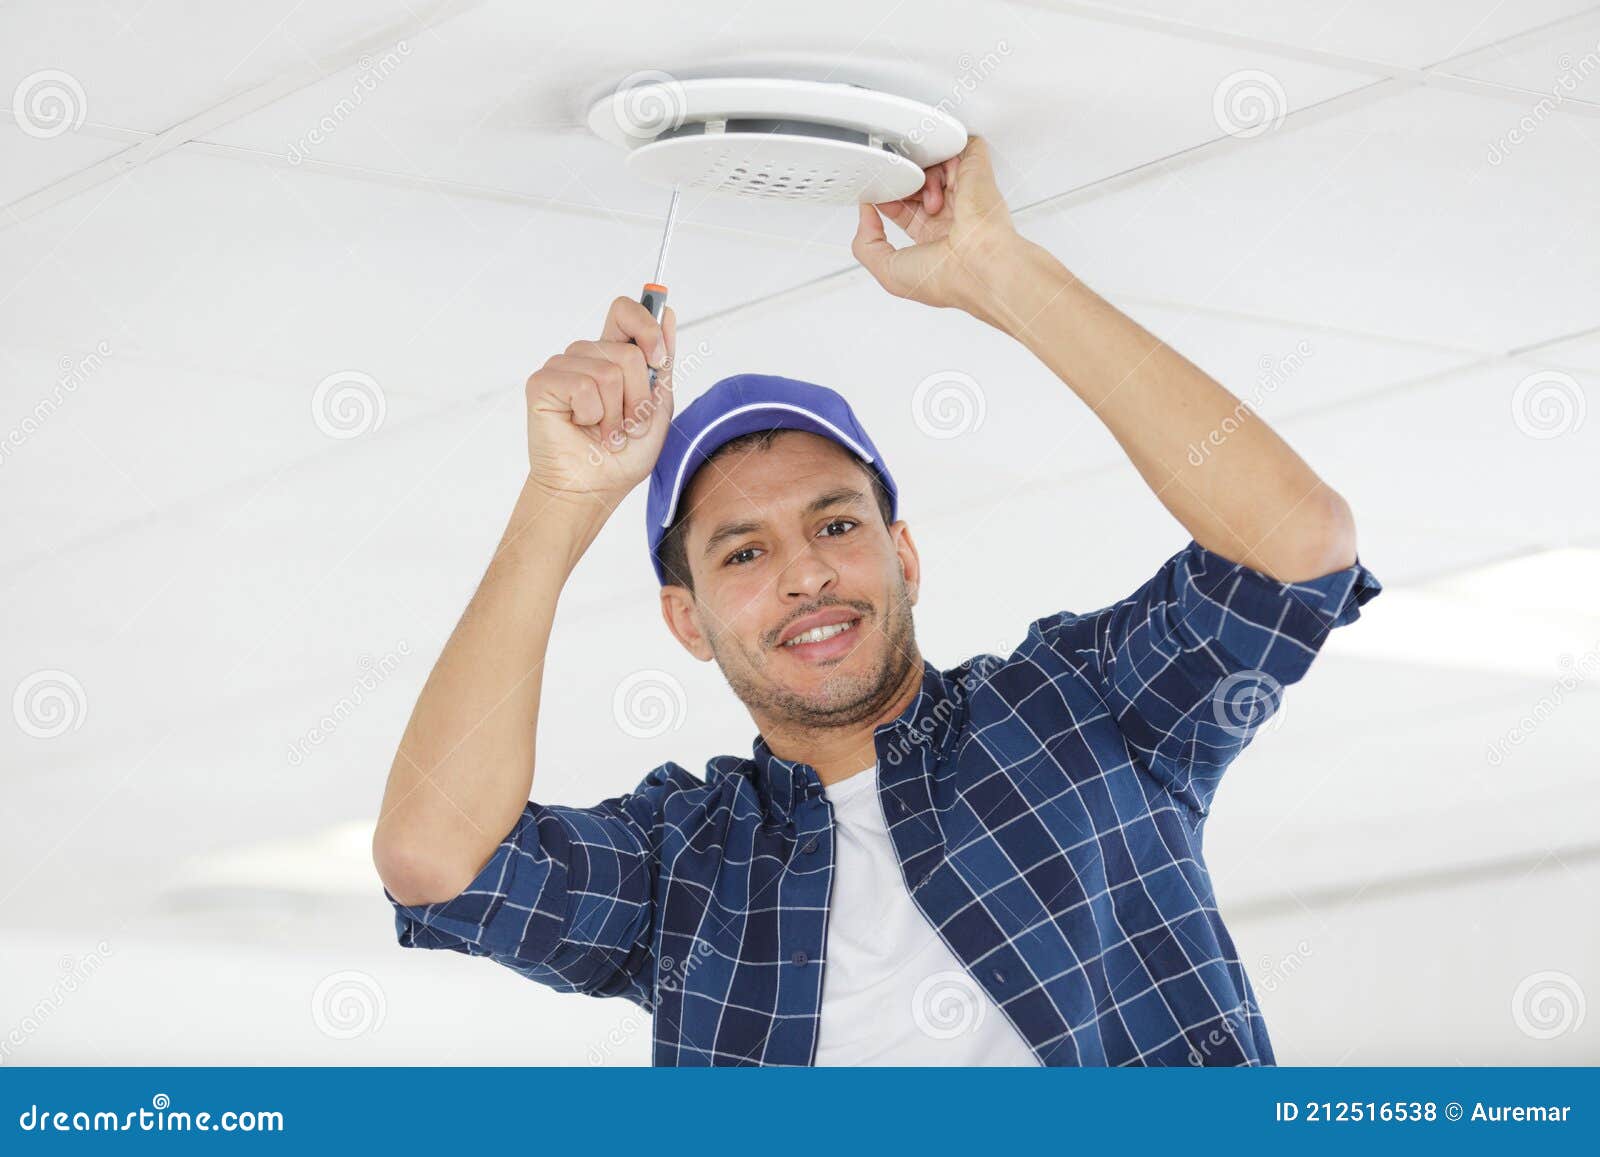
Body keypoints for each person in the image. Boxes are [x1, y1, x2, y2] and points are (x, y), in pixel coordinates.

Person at [371, 136, 1381, 1066]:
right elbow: (433, 858)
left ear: (904, 556)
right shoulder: (684, 867)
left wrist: (1001, 272)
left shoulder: (1080, 712)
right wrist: (561, 499)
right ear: (687, 621)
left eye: (837, 525)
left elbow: (1297, 545)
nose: (806, 572)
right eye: (744, 552)